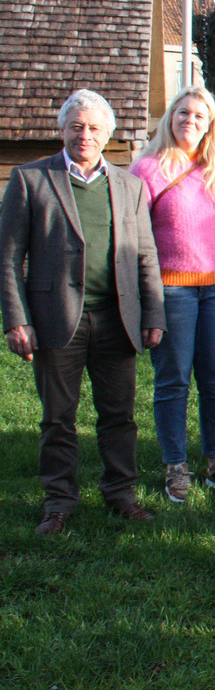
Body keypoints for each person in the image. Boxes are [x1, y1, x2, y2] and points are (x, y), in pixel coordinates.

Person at [0, 90, 165, 533]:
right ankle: (59, 501)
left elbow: (145, 255)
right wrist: (17, 319)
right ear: (62, 130)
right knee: (58, 417)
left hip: (117, 318)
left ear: (107, 134)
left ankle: (121, 494)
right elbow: (9, 256)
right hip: (57, 319)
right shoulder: (30, 180)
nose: (84, 135)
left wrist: (154, 315)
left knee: (119, 415)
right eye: (76, 126)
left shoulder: (130, 186)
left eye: (94, 128)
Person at [131, 86, 215, 501]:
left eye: (200, 116)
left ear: (210, 126)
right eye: (184, 113)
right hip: (171, 291)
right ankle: (175, 465)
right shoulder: (146, 170)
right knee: (173, 381)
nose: (191, 121)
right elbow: (136, 238)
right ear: (171, 117)